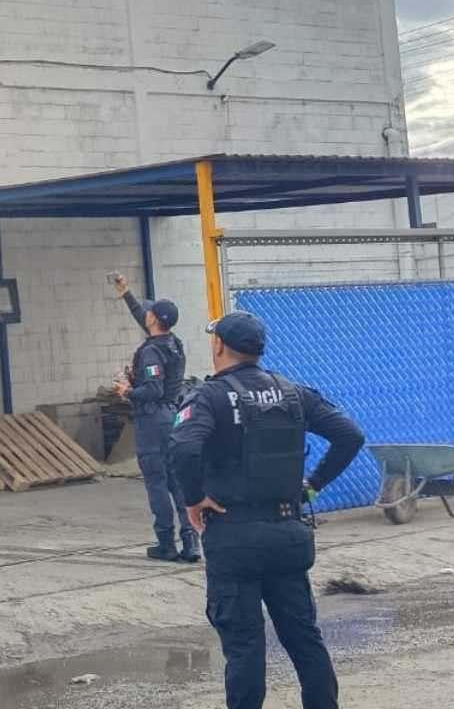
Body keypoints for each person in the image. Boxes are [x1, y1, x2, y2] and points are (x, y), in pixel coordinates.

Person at [168, 311, 365, 709]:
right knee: (304, 638)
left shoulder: (209, 396)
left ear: (219, 345)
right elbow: (350, 435)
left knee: (244, 645)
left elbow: (184, 448)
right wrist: (312, 486)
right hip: (287, 532)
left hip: (234, 535)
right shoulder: (292, 392)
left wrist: (193, 499)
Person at [110, 274, 198, 563]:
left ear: (154, 319)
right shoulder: (173, 343)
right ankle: (191, 541)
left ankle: (166, 543)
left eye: (148, 313)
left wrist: (127, 391)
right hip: (173, 416)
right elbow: (145, 320)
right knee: (177, 481)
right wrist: (126, 294)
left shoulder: (151, 353)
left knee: (157, 482)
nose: (145, 314)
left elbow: (152, 390)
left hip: (153, 420)